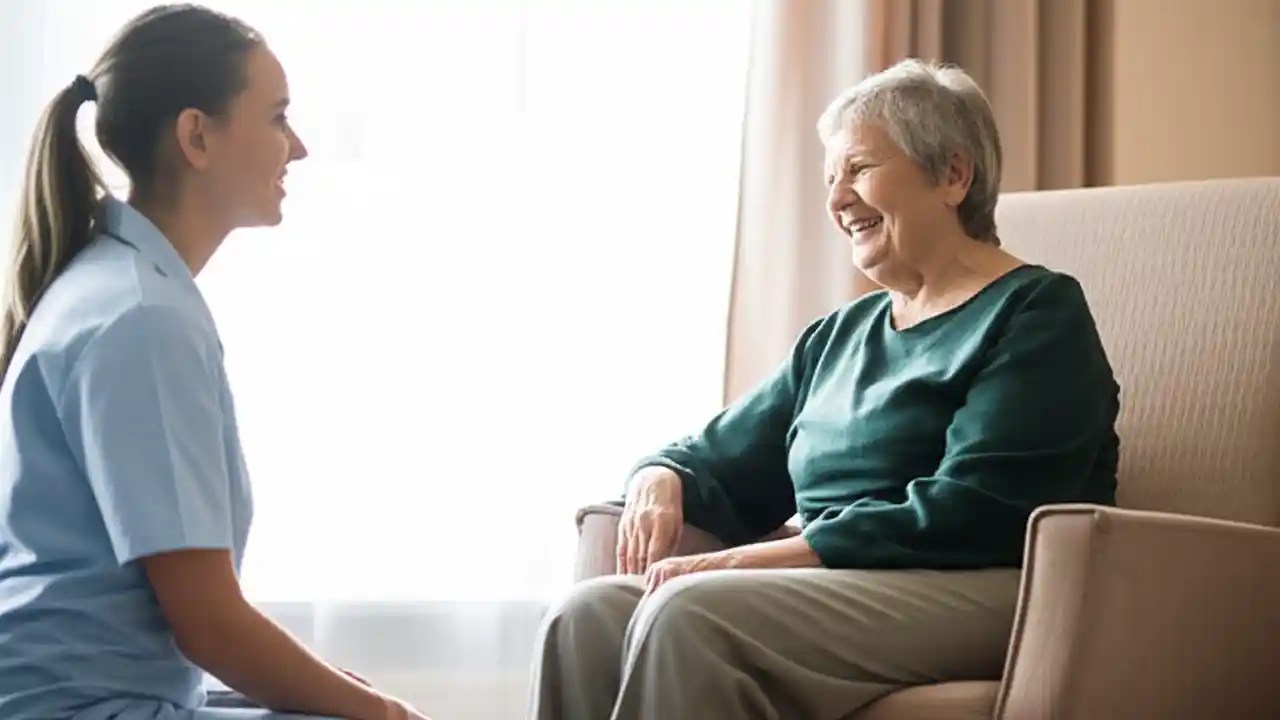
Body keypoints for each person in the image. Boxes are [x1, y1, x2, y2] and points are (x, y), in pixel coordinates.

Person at [530, 59, 1120, 719]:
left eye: (859, 169)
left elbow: (978, 506)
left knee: (689, 614)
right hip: (841, 584)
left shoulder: (1036, 312)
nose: (838, 199)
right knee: (585, 617)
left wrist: (757, 562)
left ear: (953, 175)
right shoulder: (840, 336)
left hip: (980, 584)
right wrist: (659, 475)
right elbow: (719, 462)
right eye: (830, 179)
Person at [0, 5, 429, 720]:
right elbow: (211, 627)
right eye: (278, 117)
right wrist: (385, 713)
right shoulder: (141, 319)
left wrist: (350, 695)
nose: (298, 148)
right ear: (196, 136)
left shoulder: (116, 286)